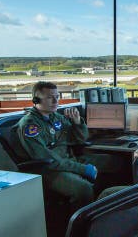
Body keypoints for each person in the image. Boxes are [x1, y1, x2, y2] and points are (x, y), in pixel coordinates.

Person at [17, 81, 120, 211]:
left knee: (114, 162)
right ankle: (82, 226)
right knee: (83, 189)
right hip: (49, 170)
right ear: (36, 100)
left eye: (57, 96)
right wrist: (82, 169)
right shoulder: (30, 126)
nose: (55, 101)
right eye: (50, 97)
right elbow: (48, 159)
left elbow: (80, 139)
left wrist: (77, 123)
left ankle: (109, 207)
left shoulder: (56, 118)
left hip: (68, 161)